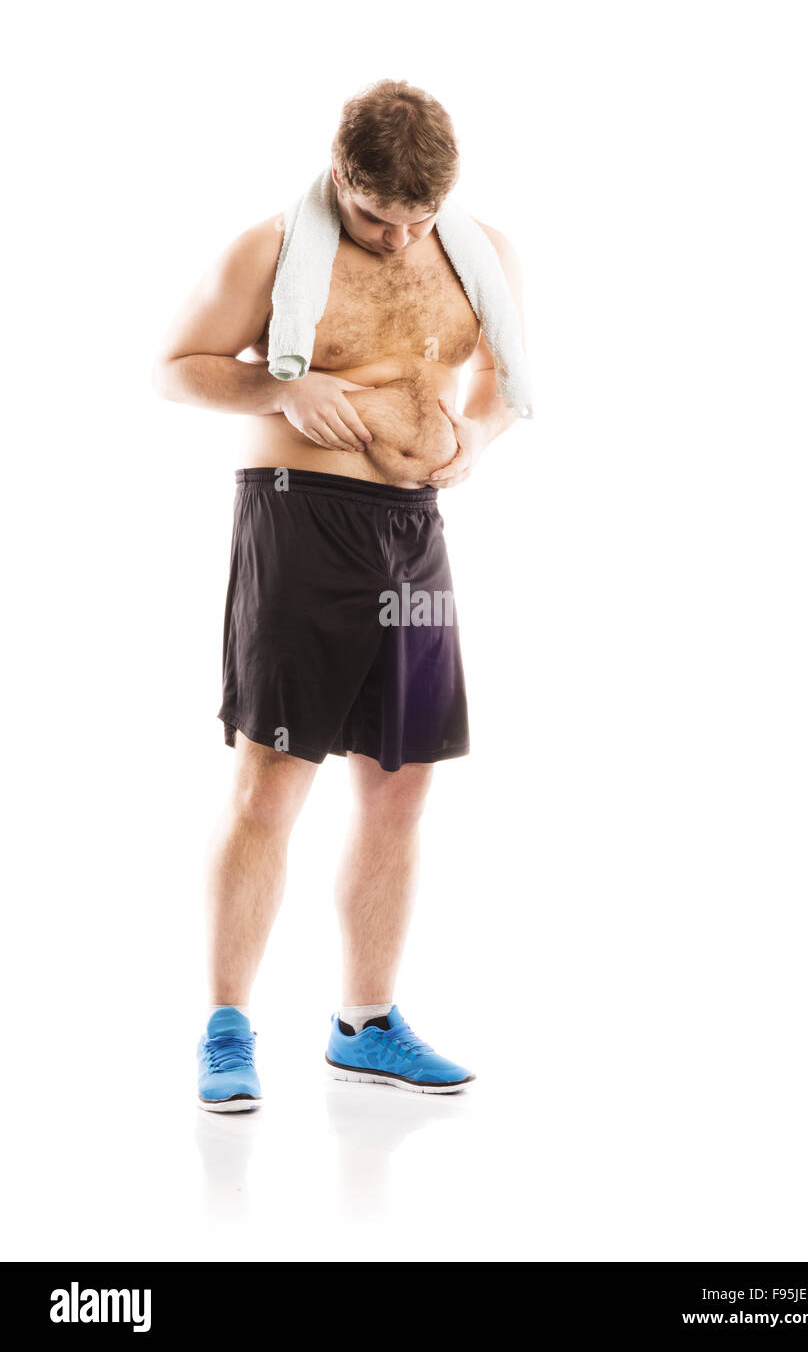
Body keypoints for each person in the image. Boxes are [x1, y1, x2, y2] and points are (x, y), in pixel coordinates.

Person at [153, 79, 526, 1110]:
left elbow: (501, 384)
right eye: (376, 216)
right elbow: (173, 366)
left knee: (401, 781)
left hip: (414, 534)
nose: (402, 238)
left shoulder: (477, 251)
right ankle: (227, 1027)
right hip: (298, 515)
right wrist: (280, 384)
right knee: (274, 777)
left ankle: (366, 1024)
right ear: (337, 172)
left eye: (420, 218)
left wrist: (476, 442)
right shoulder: (269, 250)